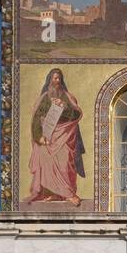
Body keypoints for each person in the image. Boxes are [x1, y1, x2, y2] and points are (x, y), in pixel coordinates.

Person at [27, 69, 84, 205]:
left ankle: (68, 193)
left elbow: (76, 114)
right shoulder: (44, 98)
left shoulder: (68, 97)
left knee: (65, 162)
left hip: (64, 135)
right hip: (47, 136)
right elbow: (36, 119)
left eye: (59, 79)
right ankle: (52, 194)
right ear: (49, 80)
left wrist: (64, 107)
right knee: (45, 160)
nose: (56, 81)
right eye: (54, 78)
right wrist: (38, 137)